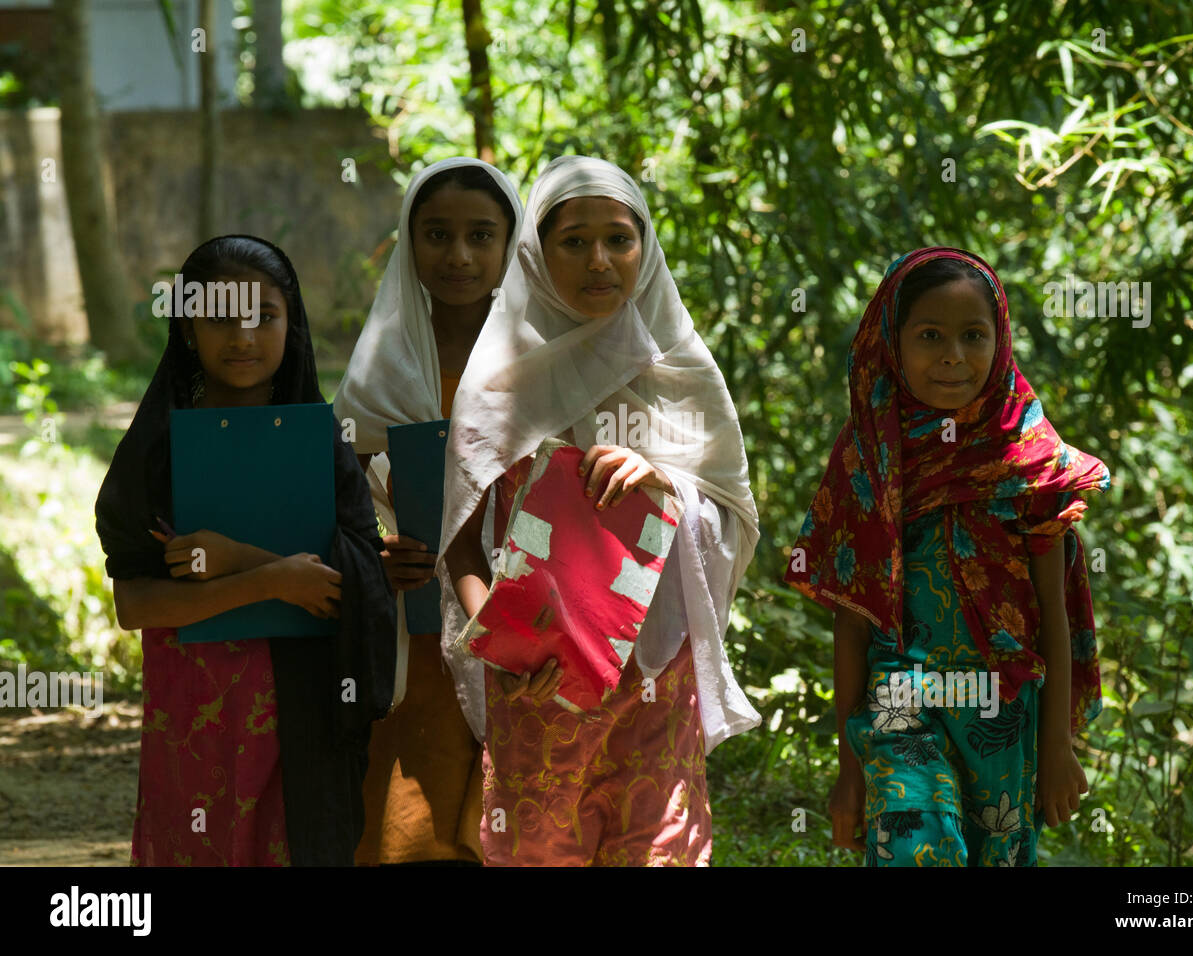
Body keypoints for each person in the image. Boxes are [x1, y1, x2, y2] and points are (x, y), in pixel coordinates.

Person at [437, 155, 761, 866]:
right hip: (541, 679)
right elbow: (459, 542)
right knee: (537, 850)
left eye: (619, 238)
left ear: (645, 248)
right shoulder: (499, 383)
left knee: (660, 848)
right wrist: (505, 642)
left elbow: (732, 513)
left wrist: (666, 480)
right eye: (573, 241)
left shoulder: (681, 368)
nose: (600, 261)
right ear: (535, 253)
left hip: (654, 677)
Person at [785, 246, 1110, 867]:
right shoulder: (868, 459)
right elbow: (851, 622)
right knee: (915, 851)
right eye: (930, 335)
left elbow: (1052, 614)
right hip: (898, 699)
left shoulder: (1028, 459)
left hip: (1003, 710)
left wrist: (1058, 745)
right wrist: (849, 771)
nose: (953, 356)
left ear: (1001, 340)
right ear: (892, 340)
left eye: (972, 336)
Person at [95, 235, 396, 866]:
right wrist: (268, 580)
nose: (243, 336)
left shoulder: (321, 445)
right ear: (186, 328)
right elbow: (135, 604)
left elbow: (355, 582)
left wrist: (236, 559)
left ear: (293, 324)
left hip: (307, 703)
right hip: (195, 707)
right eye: (220, 317)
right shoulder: (154, 454)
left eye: (264, 315)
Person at [333, 158, 522, 865]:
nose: (459, 255)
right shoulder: (381, 364)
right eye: (436, 234)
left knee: (512, 812)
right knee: (414, 820)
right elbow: (337, 498)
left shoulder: (547, 362)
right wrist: (375, 552)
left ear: (512, 244)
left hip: (520, 623)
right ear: (409, 244)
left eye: (482, 234)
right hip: (413, 638)